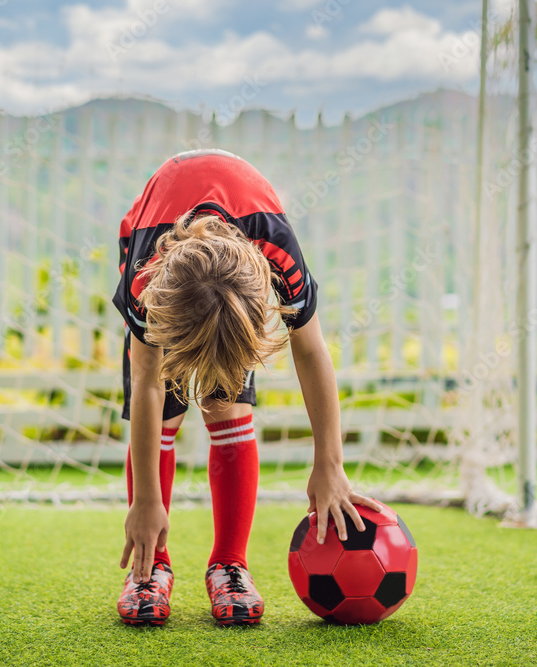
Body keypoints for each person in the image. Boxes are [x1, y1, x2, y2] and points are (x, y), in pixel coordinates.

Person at [113, 148, 380, 626]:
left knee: (228, 405)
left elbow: (312, 350)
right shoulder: (145, 280)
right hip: (153, 238)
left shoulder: (278, 252)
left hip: (238, 260)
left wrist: (330, 463)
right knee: (165, 408)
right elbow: (147, 383)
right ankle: (151, 567)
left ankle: (230, 564)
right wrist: (146, 501)